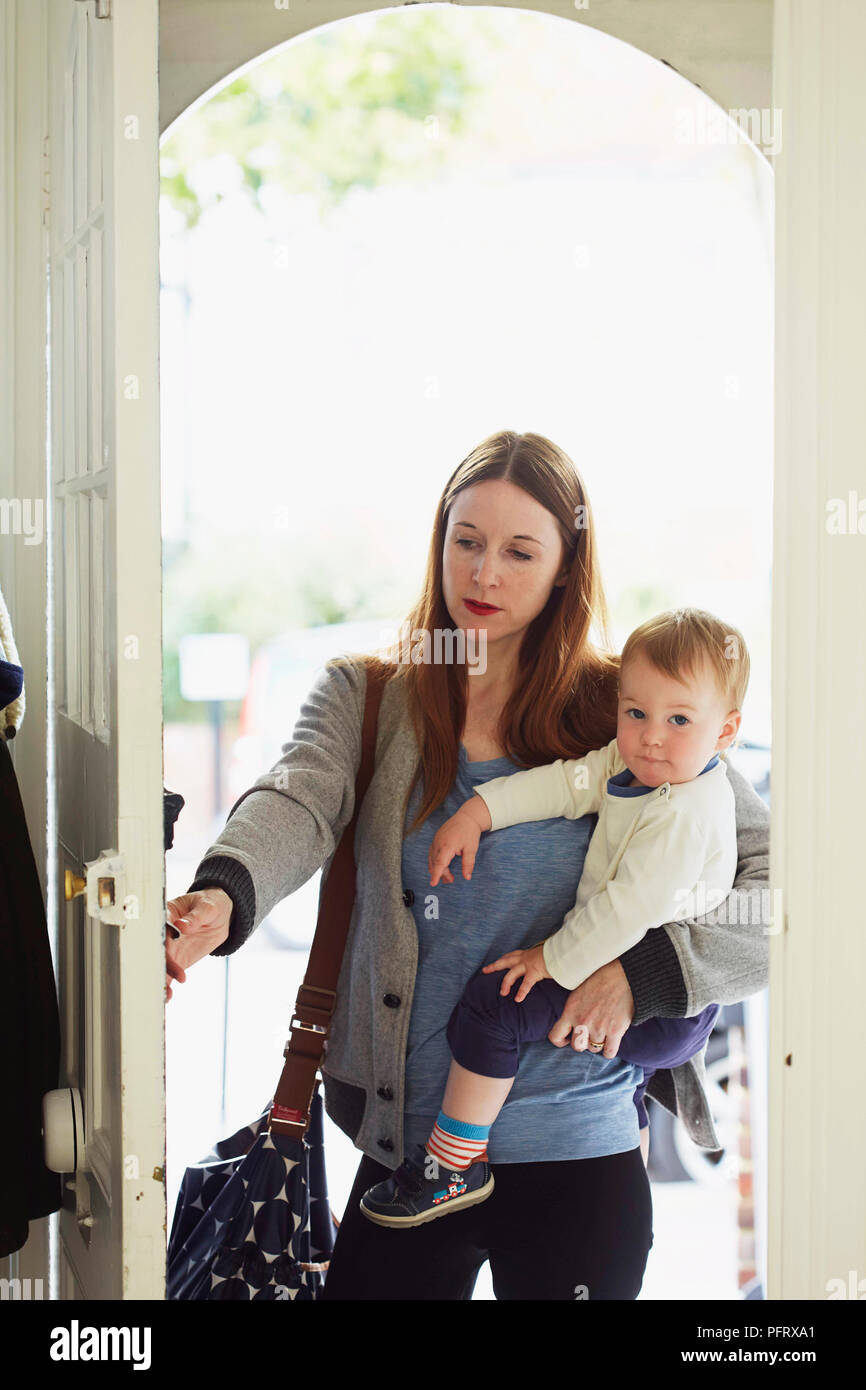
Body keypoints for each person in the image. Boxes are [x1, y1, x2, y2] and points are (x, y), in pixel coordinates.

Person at [165, 430, 771, 1300]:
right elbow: (296, 799)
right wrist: (226, 892)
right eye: (467, 542)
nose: (484, 574)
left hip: (578, 1147)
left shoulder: (629, 712)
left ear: (567, 564)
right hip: (410, 1156)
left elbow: (780, 890)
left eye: (520, 550)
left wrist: (650, 975)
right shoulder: (370, 694)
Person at [358, 607, 745, 1228]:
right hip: (643, 985)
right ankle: (630, 1153)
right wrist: (478, 811)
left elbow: (627, 910)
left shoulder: (686, 812)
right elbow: (568, 784)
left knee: (493, 1004)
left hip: (662, 999)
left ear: (725, 731)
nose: (650, 736)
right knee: (615, 1075)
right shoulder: (635, 764)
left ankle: (452, 1164)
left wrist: (548, 960)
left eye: (679, 720)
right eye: (636, 712)